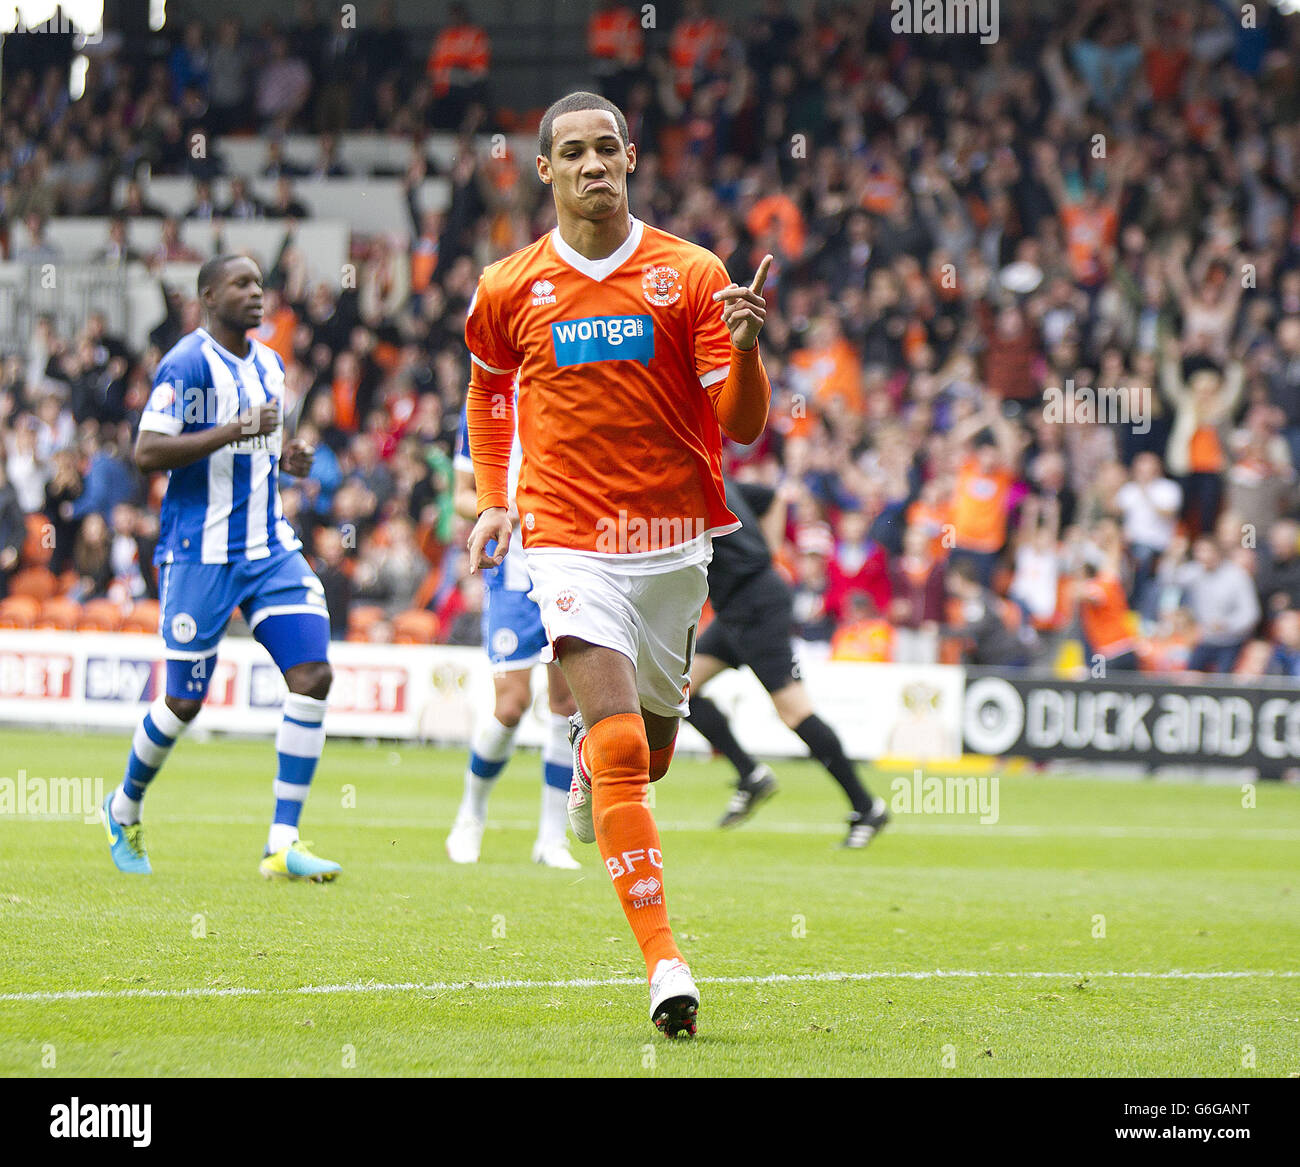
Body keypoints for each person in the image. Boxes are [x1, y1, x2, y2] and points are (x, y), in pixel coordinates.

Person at [463, 92, 771, 1038]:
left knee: (655, 748)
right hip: (565, 540)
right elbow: (488, 391)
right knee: (620, 742)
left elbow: (744, 424)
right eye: (573, 152)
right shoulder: (508, 286)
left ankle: (611, 770)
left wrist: (750, 352)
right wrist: (492, 497)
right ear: (544, 171)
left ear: (632, 158)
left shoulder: (690, 275)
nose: (593, 164)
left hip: (673, 545)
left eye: (608, 149)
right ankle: (664, 961)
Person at [100, 255, 339, 882]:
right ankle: (123, 807)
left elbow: (259, 451)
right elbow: (147, 451)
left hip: (268, 547)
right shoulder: (185, 363)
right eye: (241, 284)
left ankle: (282, 843)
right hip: (198, 554)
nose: (256, 293)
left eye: (260, 284)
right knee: (182, 701)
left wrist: (288, 458)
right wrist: (232, 428)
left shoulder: (270, 363)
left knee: (312, 674)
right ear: (208, 295)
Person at [685, 477, 890, 844]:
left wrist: (766, 556)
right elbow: (773, 497)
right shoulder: (715, 476)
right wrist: (769, 551)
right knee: (680, 692)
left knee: (794, 711)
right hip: (737, 608)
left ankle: (867, 806)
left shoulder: (691, 489)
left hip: (757, 605)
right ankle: (751, 775)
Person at [445, 406, 581, 869]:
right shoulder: (489, 405)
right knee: (510, 705)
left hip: (570, 569)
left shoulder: (575, 389)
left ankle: (550, 839)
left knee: (566, 706)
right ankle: (471, 816)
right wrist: (503, 509)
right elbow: (462, 496)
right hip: (512, 574)